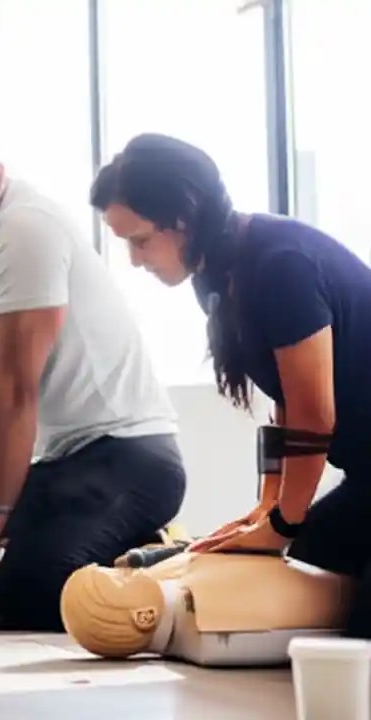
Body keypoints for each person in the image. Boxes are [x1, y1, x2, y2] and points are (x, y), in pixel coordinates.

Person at [0, 110, 187, 631]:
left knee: (27, 590)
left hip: (132, 457)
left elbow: (15, 390)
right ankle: (122, 546)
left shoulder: (24, 230)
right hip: (68, 463)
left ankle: (166, 560)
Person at [92, 132, 371, 637]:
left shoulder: (279, 264)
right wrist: (268, 508)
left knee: (359, 625)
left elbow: (314, 413)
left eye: (140, 240)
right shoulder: (217, 276)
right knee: (308, 558)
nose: (135, 260)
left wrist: (284, 521)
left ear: (184, 217)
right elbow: (285, 403)